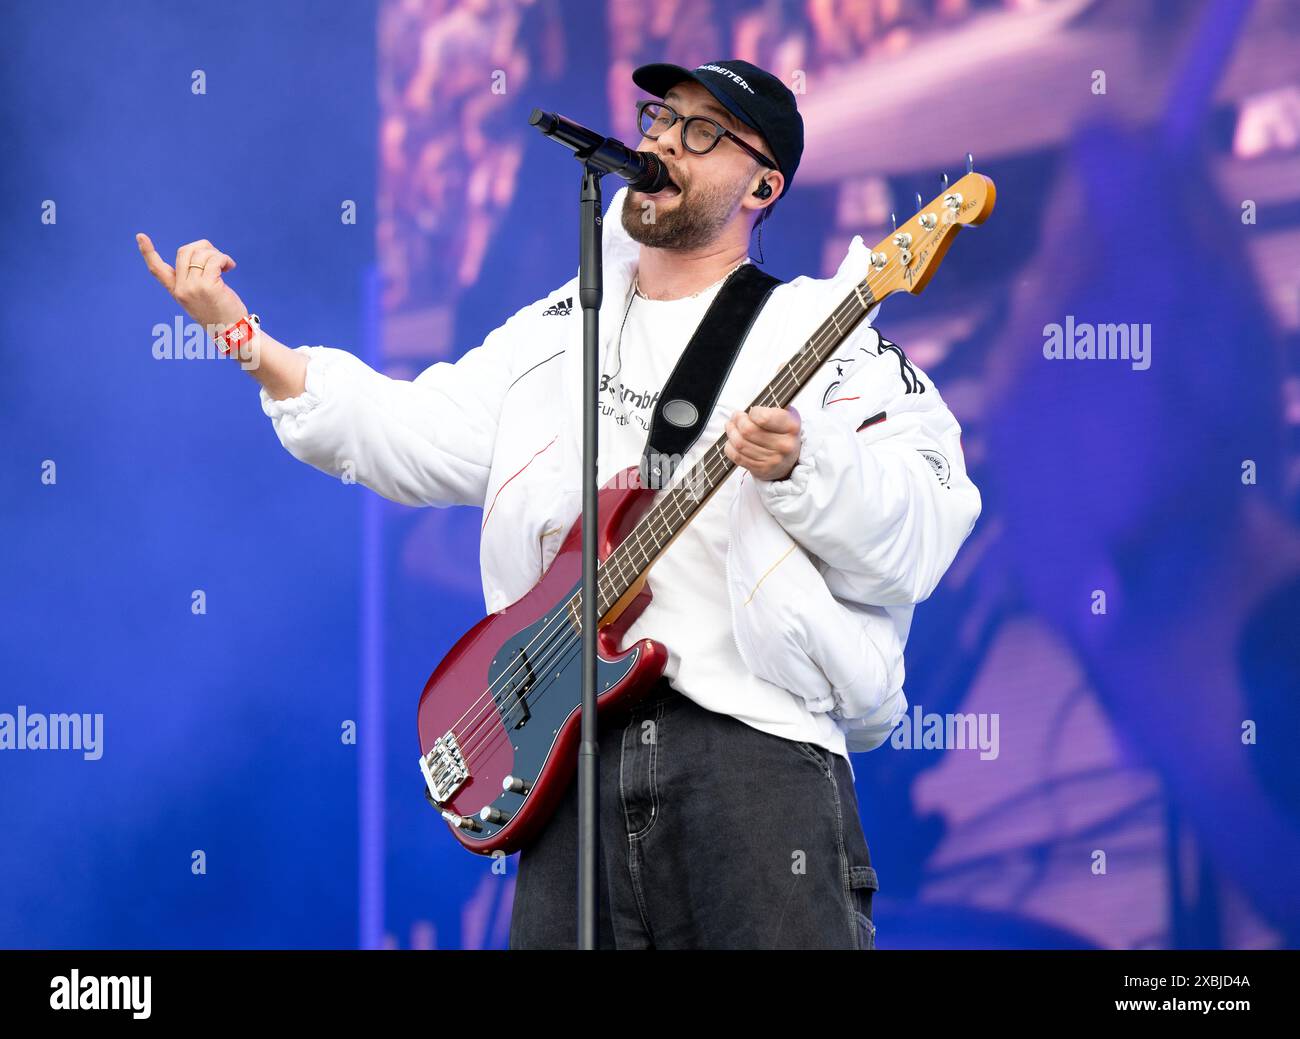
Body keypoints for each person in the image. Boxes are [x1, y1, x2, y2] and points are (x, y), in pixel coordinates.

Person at [136, 59, 981, 949]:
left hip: (752, 758)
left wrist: (805, 466)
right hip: (570, 763)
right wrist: (243, 335)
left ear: (763, 185)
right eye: (661, 117)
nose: (662, 140)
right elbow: (410, 429)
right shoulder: (557, 329)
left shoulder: (825, 331)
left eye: (702, 130)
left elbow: (924, 523)